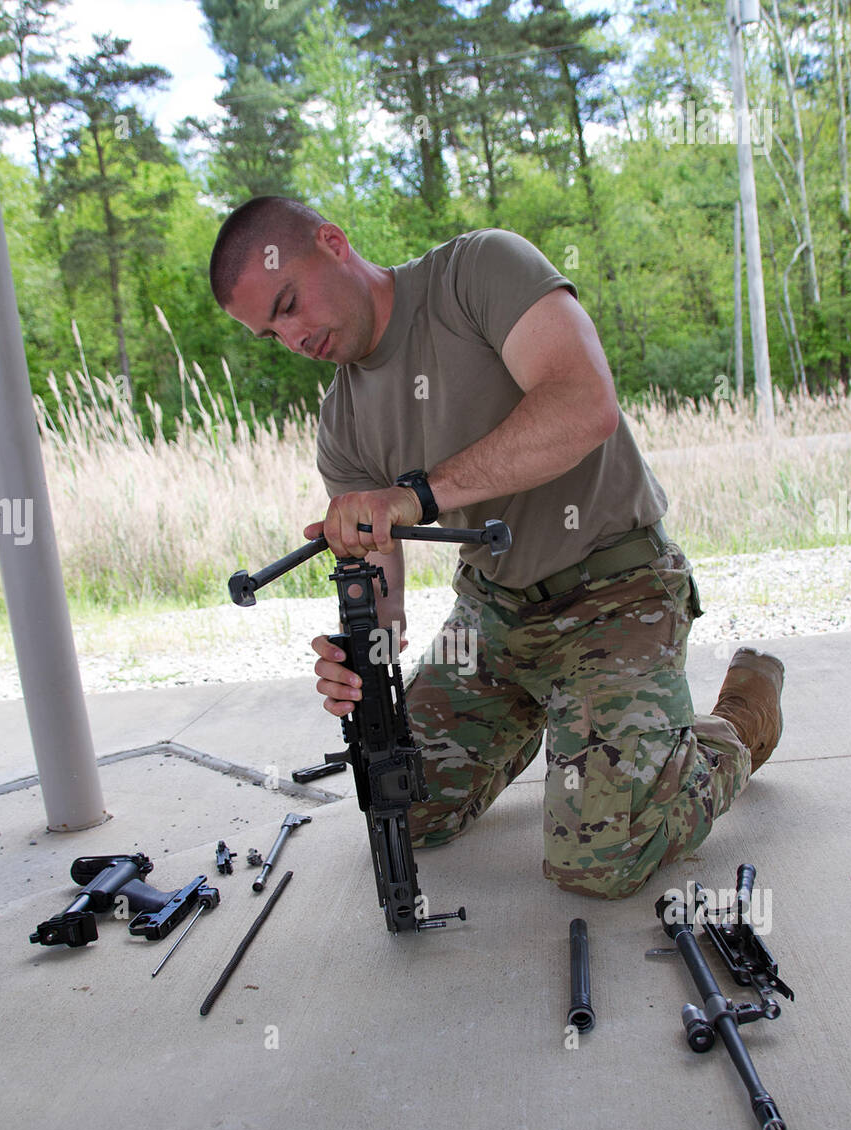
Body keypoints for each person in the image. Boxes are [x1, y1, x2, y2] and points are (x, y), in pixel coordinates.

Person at [209, 196, 785, 901]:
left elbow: (583, 403)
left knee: (599, 862)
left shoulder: (479, 271)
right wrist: (362, 658)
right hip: (495, 619)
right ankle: (582, 724)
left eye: (289, 303)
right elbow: (383, 595)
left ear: (332, 242)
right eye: (271, 333)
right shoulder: (343, 424)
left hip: (618, 591)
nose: (294, 337)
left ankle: (738, 720)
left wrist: (417, 495)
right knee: (402, 807)